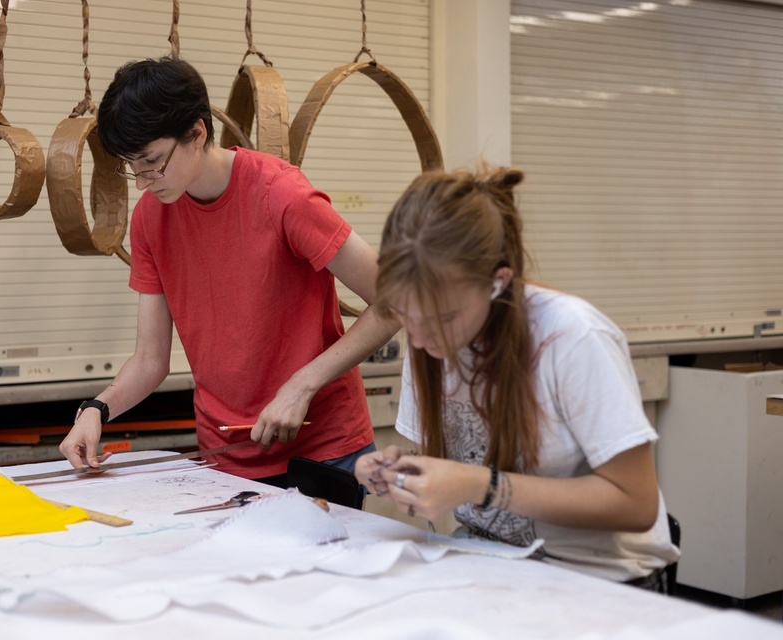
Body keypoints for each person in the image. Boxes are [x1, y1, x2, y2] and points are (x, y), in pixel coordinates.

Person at [59, 57, 399, 485]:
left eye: (152, 161)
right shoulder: (150, 218)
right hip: (226, 455)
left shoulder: (283, 196)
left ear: (197, 133)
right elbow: (150, 360)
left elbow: (393, 302)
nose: (143, 181)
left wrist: (302, 384)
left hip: (322, 450)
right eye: (132, 166)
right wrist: (96, 409)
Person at [355, 166, 680, 586]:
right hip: (484, 560)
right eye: (404, 315)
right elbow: (460, 462)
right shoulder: (427, 339)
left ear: (498, 282)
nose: (418, 337)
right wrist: (401, 471)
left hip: (599, 579)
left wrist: (481, 486)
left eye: (444, 318)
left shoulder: (572, 337)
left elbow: (636, 505)